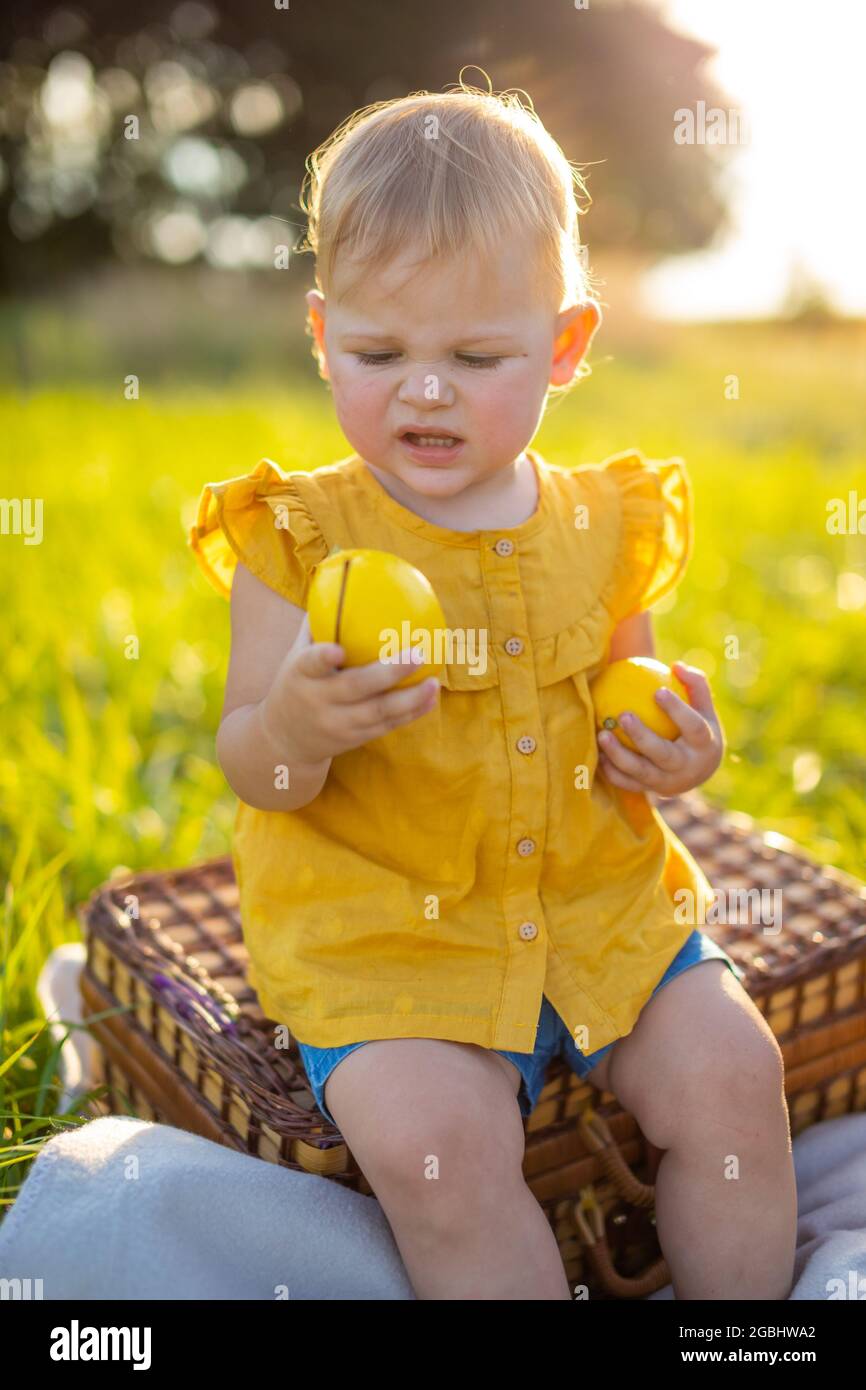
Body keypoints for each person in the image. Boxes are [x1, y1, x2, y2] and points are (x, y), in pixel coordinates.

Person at [189, 75, 797, 1300]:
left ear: (564, 346)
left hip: (594, 905)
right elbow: (252, 758)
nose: (423, 388)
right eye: (377, 352)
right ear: (320, 337)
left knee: (738, 1076)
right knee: (442, 1153)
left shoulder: (602, 522)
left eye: (475, 355)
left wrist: (684, 749)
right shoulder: (299, 536)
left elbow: (641, 688)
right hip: (385, 938)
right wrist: (298, 723)